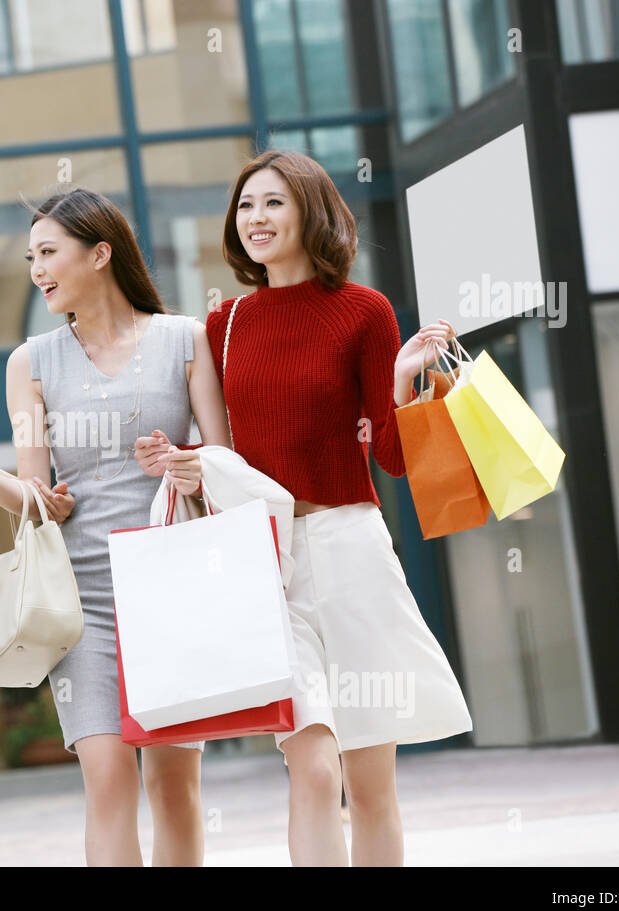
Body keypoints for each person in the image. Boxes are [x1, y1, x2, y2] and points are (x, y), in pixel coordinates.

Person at [0, 187, 231, 866]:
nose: (36, 268)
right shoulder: (29, 362)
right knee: (108, 779)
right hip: (81, 598)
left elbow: (224, 458)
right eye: (30, 255)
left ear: (100, 253)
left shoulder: (185, 339)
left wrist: (185, 462)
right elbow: (35, 495)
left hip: (171, 589)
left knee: (175, 784)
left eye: (49, 252)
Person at [190, 150, 474, 866]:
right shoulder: (223, 326)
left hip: (350, 551)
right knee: (313, 770)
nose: (255, 218)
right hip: (269, 565)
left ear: (311, 211)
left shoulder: (364, 311)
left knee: (371, 783)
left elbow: (394, 458)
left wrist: (405, 380)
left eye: (273, 203)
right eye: (246, 206)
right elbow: (222, 457)